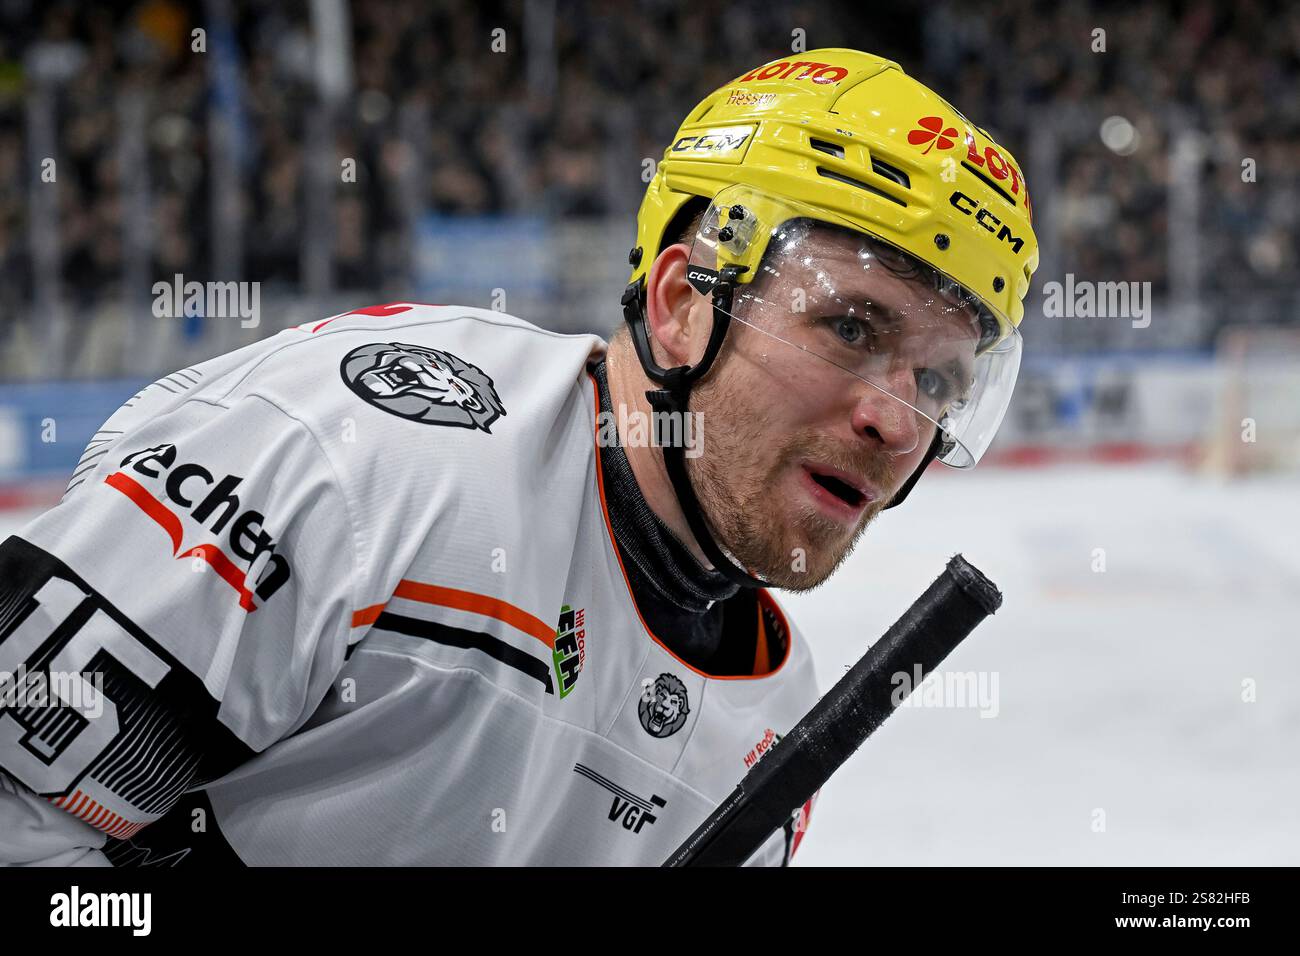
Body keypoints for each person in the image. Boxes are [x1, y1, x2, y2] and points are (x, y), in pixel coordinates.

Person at [0, 48, 1037, 866]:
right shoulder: (373, 459)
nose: (899, 422)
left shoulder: (766, 719)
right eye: (851, 328)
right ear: (683, 303)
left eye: (941, 381)